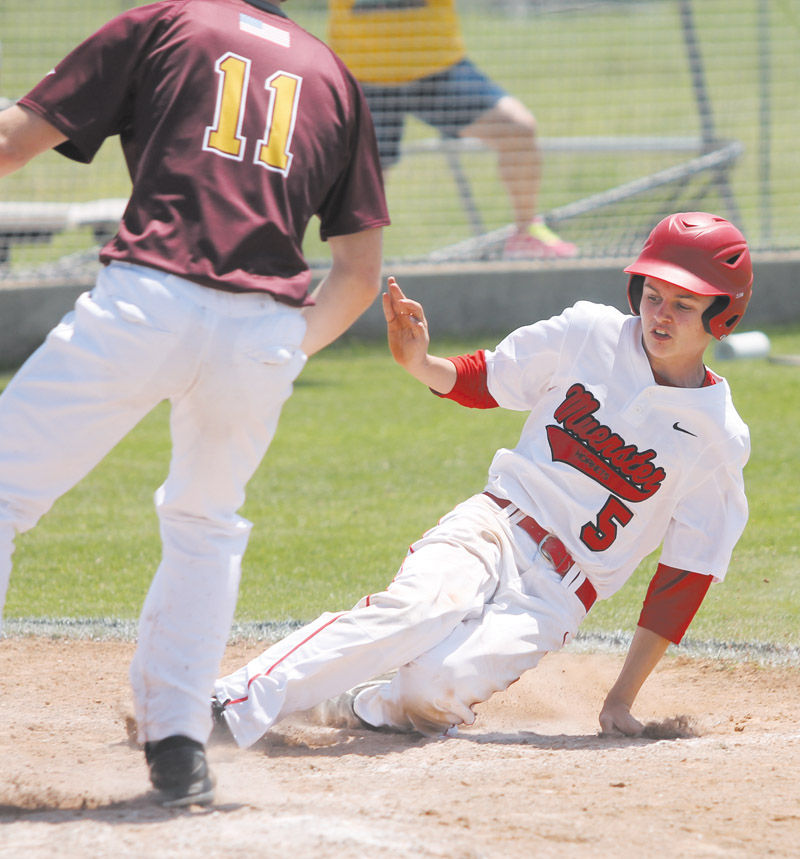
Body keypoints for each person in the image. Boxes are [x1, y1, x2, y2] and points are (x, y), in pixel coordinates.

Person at [0, 0, 388, 807]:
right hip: (263, 330)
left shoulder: (168, 21)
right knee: (206, 525)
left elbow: (11, 144)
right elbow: (357, 272)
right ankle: (179, 746)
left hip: (148, 299)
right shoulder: (333, 73)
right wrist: (282, 353)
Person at [212, 211, 752, 745]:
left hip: (556, 595)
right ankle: (227, 702)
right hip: (495, 525)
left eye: (685, 304)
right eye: (653, 294)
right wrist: (421, 364)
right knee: (417, 611)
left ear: (722, 315)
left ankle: (360, 706)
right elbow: (491, 377)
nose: (661, 314)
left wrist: (621, 698)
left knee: (433, 691)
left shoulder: (718, 438)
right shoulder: (589, 332)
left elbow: (684, 577)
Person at [327, 0, 576, 260]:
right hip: (363, 77)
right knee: (362, 175)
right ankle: (354, 267)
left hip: (438, 70)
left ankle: (526, 232)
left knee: (518, 128)